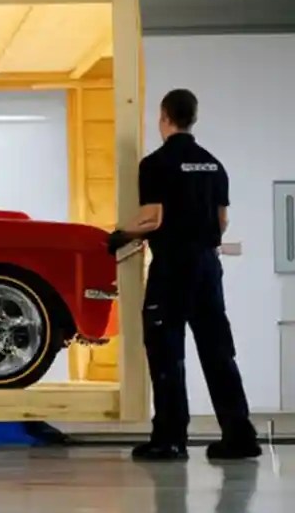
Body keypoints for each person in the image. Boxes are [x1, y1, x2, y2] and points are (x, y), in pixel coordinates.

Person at [108, 89, 260, 461]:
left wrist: (119, 236)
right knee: (218, 352)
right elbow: (222, 221)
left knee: (166, 352)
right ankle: (239, 435)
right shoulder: (213, 165)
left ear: (164, 117)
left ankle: (170, 439)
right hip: (207, 268)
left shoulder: (155, 164)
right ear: (193, 118)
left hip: (172, 267)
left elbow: (153, 218)